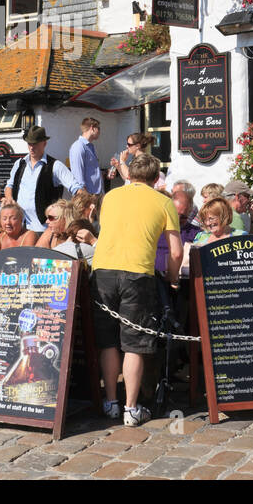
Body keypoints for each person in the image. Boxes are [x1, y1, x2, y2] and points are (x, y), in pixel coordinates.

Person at [91, 152, 182, 427]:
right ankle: (131, 409)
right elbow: (176, 252)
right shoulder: (164, 202)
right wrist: (172, 277)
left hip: (103, 270)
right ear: (156, 179)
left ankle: (111, 402)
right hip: (137, 273)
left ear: (129, 175)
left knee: (108, 340)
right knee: (134, 343)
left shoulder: (111, 197)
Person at [6, 126, 78, 232]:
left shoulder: (55, 166)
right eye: (29, 144)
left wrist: (79, 205)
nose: (31, 147)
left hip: (43, 228)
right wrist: (9, 198)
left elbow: (75, 186)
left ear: (44, 143)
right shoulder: (19, 164)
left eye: (35, 144)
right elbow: (9, 185)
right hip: (19, 226)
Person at [180, 197, 234, 279]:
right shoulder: (201, 236)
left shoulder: (239, 236)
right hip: (204, 285)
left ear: (223, 216)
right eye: (205, 219)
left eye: (211, 219)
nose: (208, 223)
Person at [69, 117, 104, 195]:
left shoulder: (89, 147)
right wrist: (86, 199)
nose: (99, 131)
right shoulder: (78, 146)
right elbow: (78, 176)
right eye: (98, 128)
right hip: (88, 196)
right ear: (92, 128)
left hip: (96, 194)